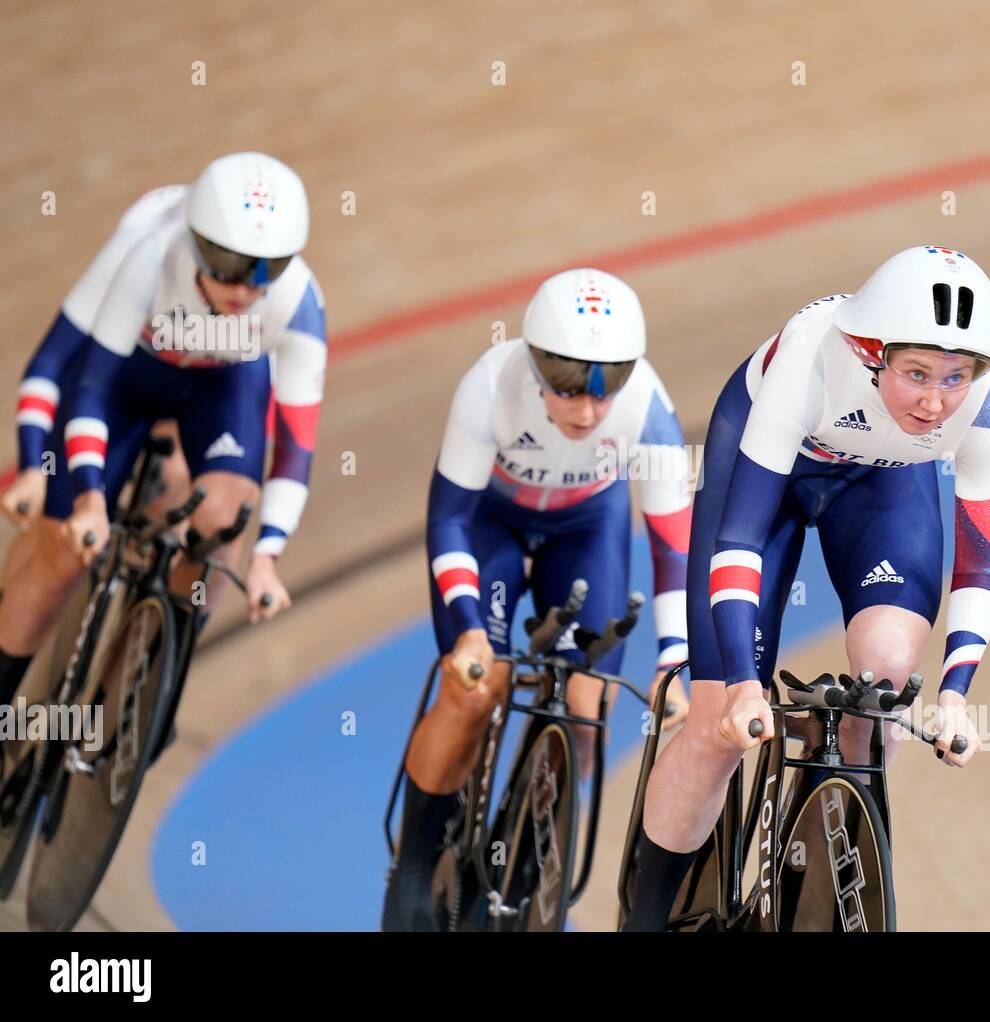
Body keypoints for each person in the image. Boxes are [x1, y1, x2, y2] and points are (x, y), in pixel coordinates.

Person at [621, 245, 990, 931]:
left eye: (955, 377)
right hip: (767, 469)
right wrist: (744, 682)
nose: (933, 401)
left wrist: (955, 694)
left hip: (882, 481)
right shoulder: (811, 360)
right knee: (718, 727)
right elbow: (740, 537)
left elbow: (979, 566)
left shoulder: (983, 408)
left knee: (888, 674)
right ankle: (645, 922)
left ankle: (805, 882)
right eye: (916, 373)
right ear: (871, 354)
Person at [382, 267, 694, 931]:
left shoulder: (649, 409)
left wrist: (673, 658)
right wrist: (468, 628)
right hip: (490, 522)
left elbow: (674, 547)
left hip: (586, 526)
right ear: (535, 366)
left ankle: (523, 865)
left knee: (588, 708)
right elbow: (448, 522)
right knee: (476, 688)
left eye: (602, 392)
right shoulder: (489, 387)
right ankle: (412, 871)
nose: (586, 411)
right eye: (568, 389)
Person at [0, 151, 326, 752]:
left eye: (266, 269)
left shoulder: (299, 304)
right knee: (63, 556)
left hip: (220, 384)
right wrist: (83, 496)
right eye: (228, 265)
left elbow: (296, 449)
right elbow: (79, 381)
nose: (245, 287)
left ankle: (152, 681)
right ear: (196, 244)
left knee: (225, 519)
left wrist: (267, 559)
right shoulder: (147, 256)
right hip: (125, 377)